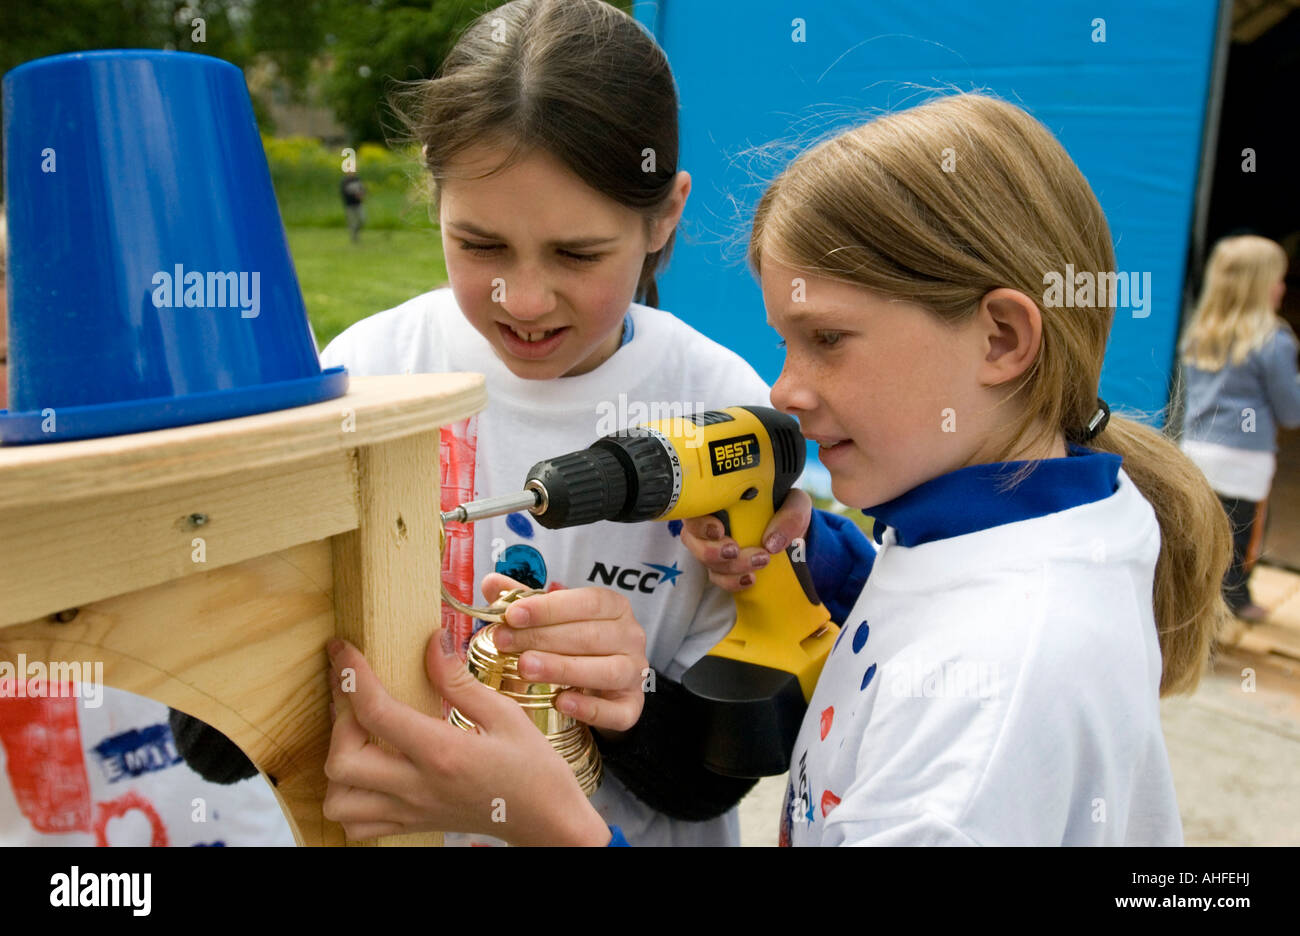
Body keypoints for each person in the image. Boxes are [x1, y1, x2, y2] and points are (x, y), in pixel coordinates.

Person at [322, 91, 1232, 846]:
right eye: (784, 342)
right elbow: (915, 595)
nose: (785, 394)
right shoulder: (1002, 530)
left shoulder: (990, 698)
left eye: (828, 339)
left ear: (1000, 337)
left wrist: (558, 824)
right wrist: (820, 558)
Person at [181, 0, 872, 847]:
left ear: (665, 216)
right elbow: (210, 749)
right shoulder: (362, 375)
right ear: (434, 202)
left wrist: (628, 700)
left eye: (577, 255)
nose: (526, 300)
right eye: (480, 246)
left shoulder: (715, 404)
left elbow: (708, 788)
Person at [1179, 235, 1300, 623]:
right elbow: (1291, 412)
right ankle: (1226, 613)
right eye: (1277, 279)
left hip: (1196, 451)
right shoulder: (1275, 342)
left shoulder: (1200, 332)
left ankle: (1194, 617)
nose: (1283, 286)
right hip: (1245, 461)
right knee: (1239, 542)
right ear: (1261, 287)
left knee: (1201, 541)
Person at [341, 171, 366, 243]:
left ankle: (356, 232)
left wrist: (362, 194)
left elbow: (362, 189)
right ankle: (354, 238)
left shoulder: (358, 180)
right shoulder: (344, 182)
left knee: (362, 219)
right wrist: (355, 196)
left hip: (359, 204)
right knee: (352, 222)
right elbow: (344, 194)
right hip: (349, 205)